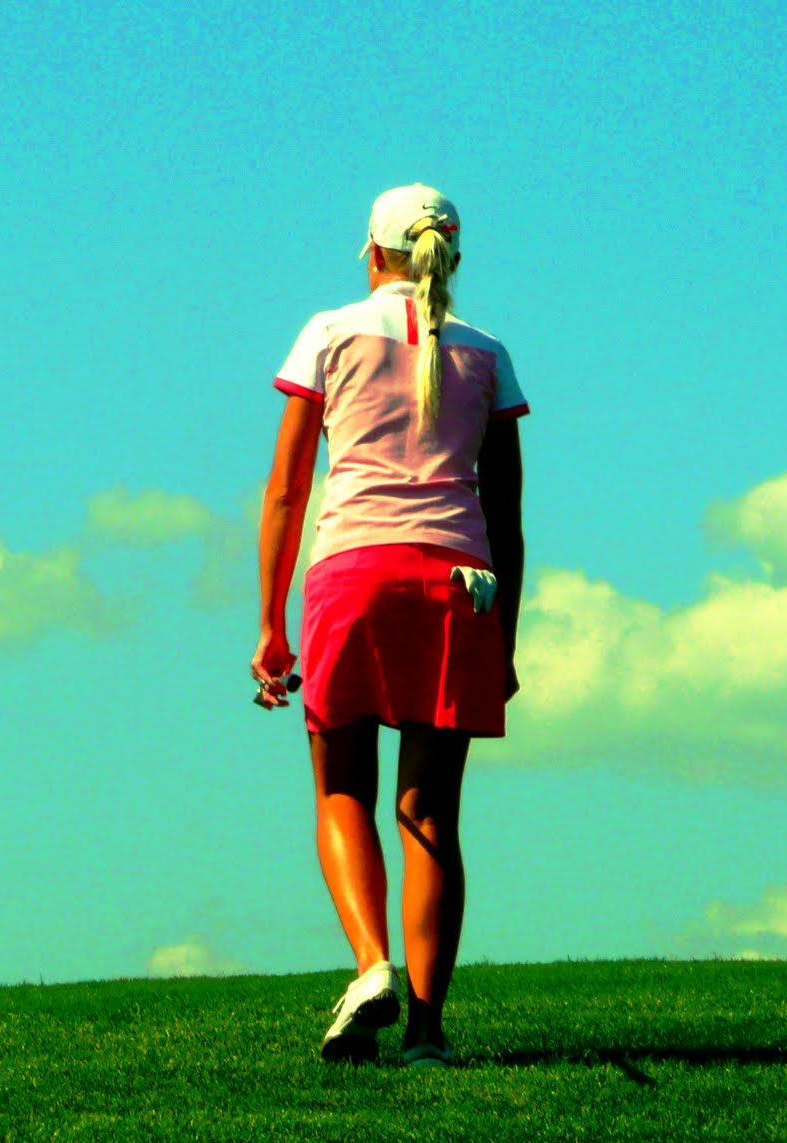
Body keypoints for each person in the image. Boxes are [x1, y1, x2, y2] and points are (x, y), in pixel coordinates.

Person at [252, 184, 528, 1068]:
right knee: (432, 814)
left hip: (354, 574)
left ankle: (371, 964)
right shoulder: (487, 353)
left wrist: (269, 623)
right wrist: (506, 640)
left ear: (372, 252)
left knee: (342, 790)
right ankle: (429, 1031)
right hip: (462, 584)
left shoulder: (330, 332)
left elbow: (289, 490)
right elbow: (507, 516)